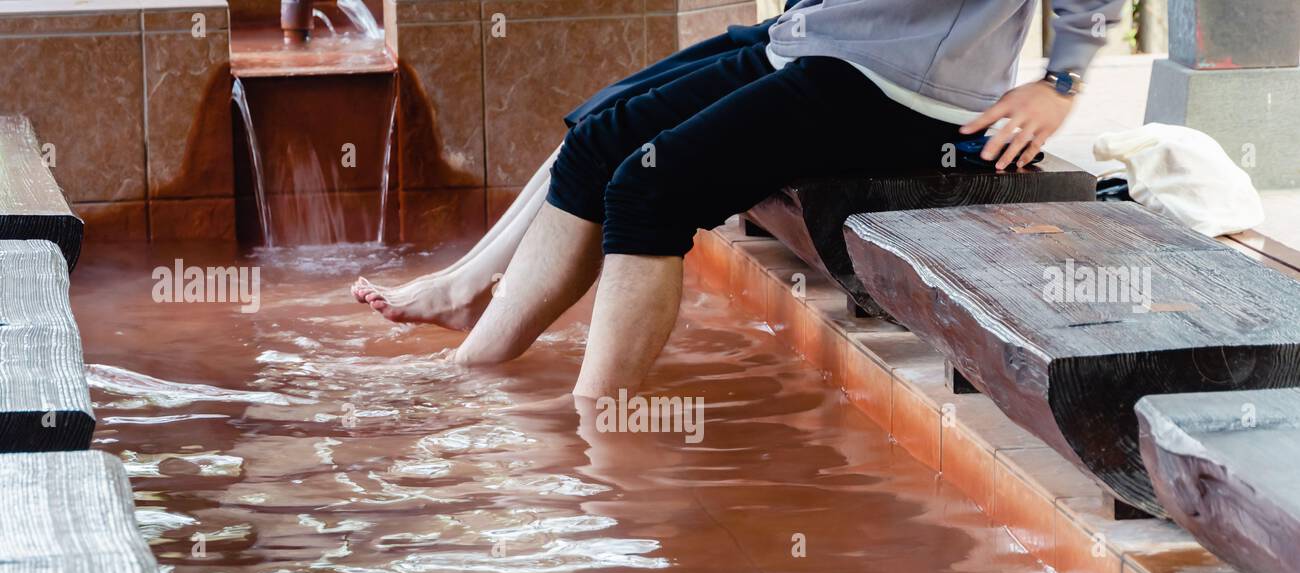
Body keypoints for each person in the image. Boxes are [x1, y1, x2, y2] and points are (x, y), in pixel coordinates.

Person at [354, 1, 1122, 399]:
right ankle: (476, 362)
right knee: (599, 142)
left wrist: (1062, 81)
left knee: (651, 187)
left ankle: (601, 430)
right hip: (818, 40)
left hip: (907, 89)